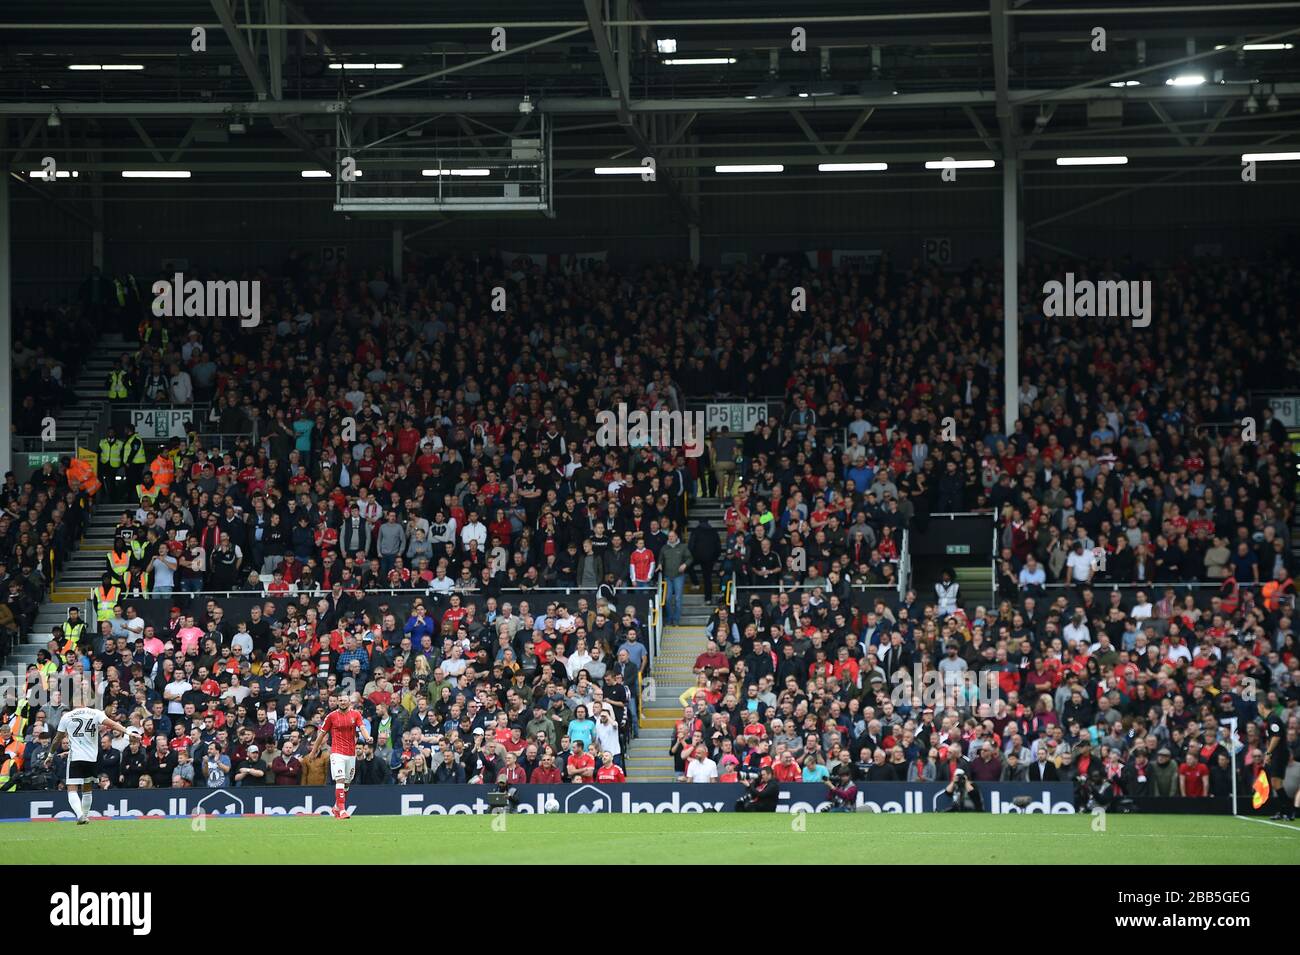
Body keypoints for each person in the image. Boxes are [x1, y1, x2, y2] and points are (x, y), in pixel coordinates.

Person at [44, 698, 140, 823]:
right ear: (85, 702)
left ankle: (80, 815)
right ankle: (85, 815)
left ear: (72, 705)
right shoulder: (95, 713)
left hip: (76, 757)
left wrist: (50, 755)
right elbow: (113, 724)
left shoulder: (67, 716)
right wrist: (128, 732)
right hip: (92, 757)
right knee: (87, 788)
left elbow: (57, 738)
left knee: (72, 788)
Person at [308, 692, 371, 819]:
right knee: (340, 779)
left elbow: (362, 727)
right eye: (340, 700)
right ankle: (342, 810)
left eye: (344, 700)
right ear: (337, 702)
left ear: (349, 702)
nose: (342, 702)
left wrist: (367, 737)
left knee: (347, 783)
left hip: (351, 754)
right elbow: (321, 735)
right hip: (337, 753)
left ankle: (337, 807)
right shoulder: (331, 716)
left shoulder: (356, 714)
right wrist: (313, 751)